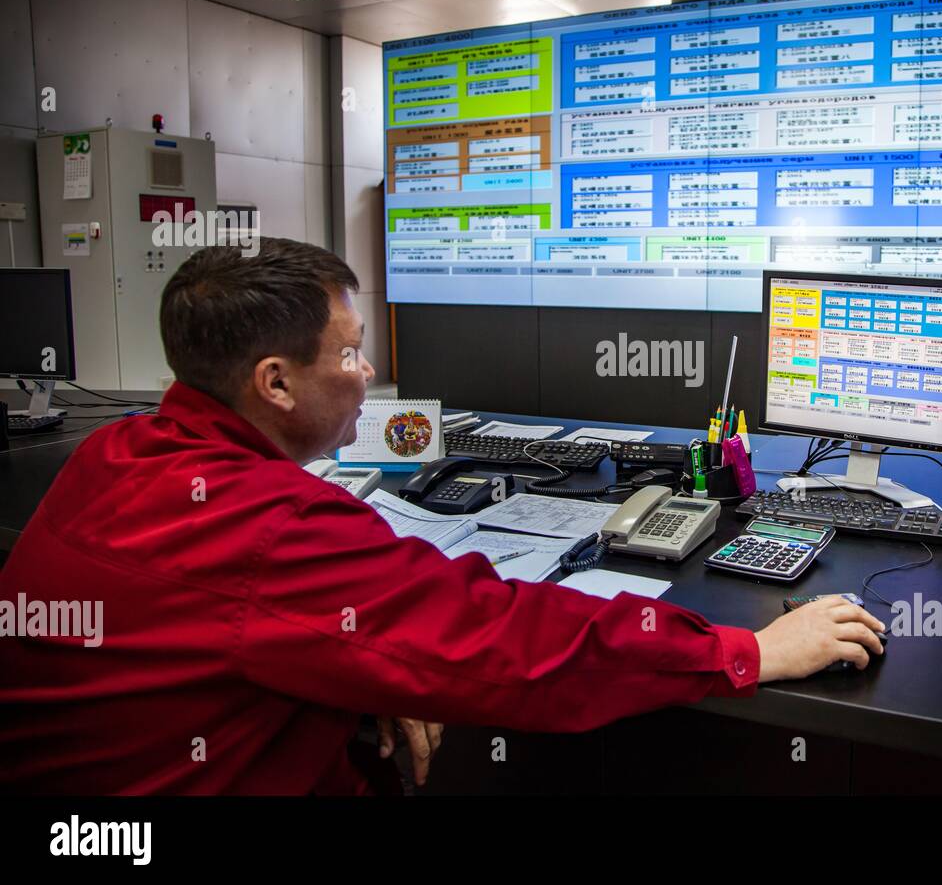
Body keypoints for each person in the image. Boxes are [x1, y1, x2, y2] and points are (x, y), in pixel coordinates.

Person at [0, 238, 885, 794]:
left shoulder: (113, 455)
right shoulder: (271, 527)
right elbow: (505, 641)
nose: (368, 368)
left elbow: (226, 639)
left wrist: (367, 678)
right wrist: (747, 649)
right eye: (349, 353)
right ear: (272, 382)